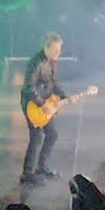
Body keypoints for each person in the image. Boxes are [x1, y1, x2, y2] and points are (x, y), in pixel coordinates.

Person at [20, 33, 67, 184]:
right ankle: (27, 174)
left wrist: (64, 97)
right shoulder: (35, 64)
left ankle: (41, 167)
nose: (58, 54)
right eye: (55, 50)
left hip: (44, 104)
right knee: (37, 136)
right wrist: (43, 104)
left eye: (59, 50)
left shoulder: (51, 63)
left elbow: (53, 84)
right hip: (32, 105)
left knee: (52, 134)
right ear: (46, 47)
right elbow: (29, 88)